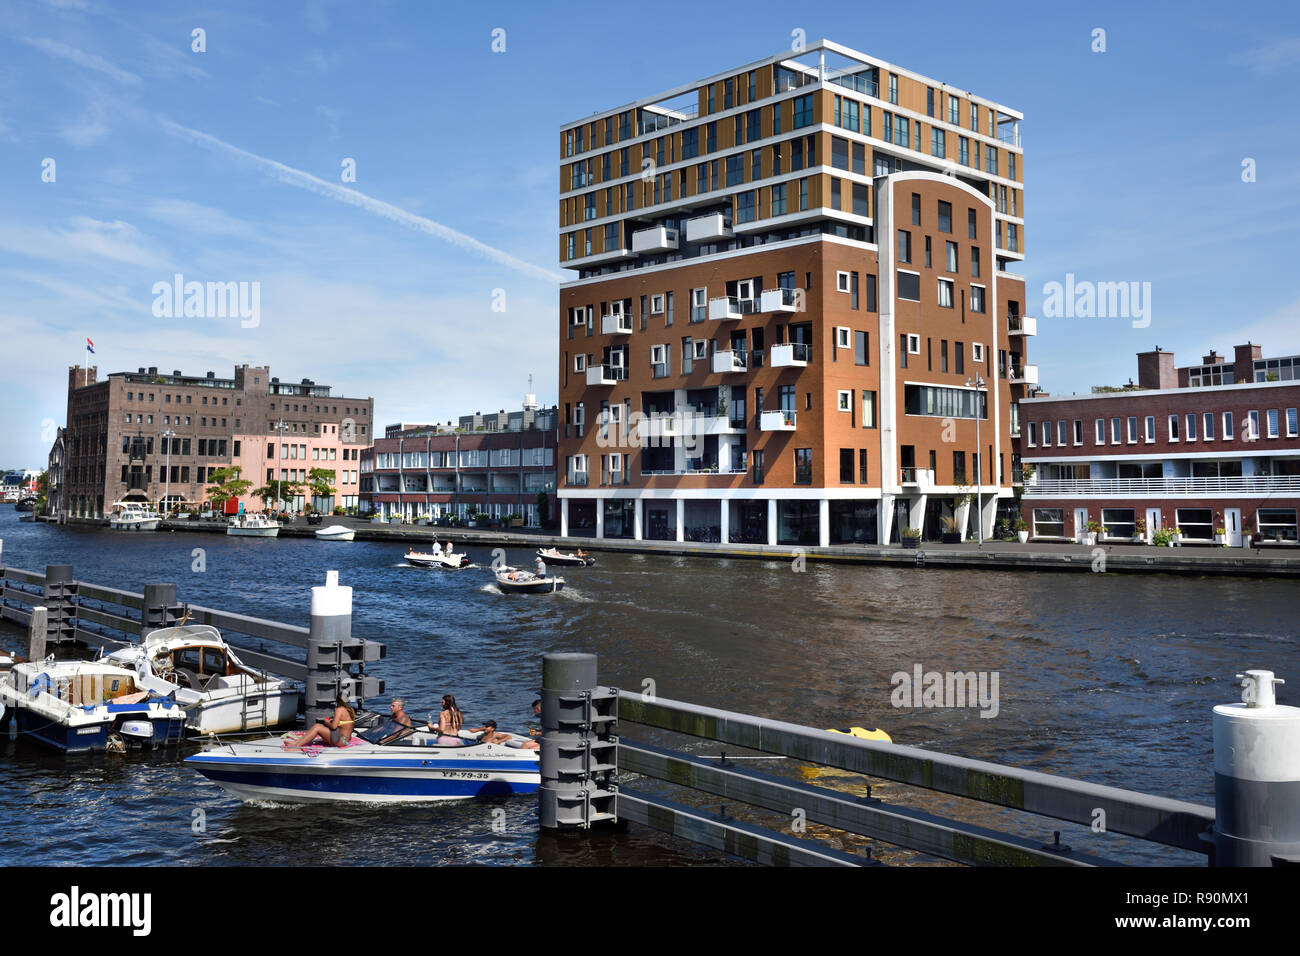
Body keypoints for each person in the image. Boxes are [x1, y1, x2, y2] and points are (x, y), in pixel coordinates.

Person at [287, 694, 355, 749]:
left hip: (340, 741)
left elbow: (334, 726)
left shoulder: (339, 709)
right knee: (319, 726)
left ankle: (296, 746)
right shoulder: (351, 710)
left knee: (317, 727)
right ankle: (296, 742)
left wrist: (327, 722)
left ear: (338, 700)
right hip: (345, 741)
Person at [469, 719, 540, 750]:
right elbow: (471, 730)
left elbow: (508, 736)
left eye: (487, 726)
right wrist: (480, 729)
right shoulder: (483, 734)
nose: (485, 728)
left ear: (492, 728)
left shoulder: (495, 735)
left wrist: (498, 741)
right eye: (485, 726)